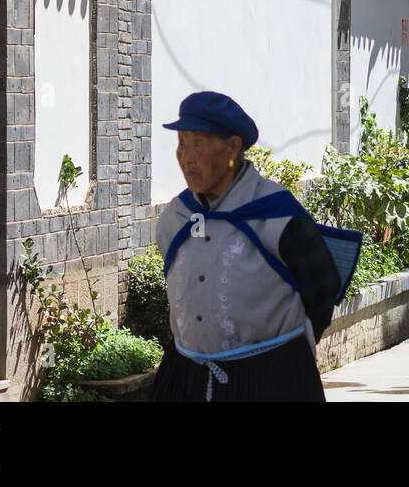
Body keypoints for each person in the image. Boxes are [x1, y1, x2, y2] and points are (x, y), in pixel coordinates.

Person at [150, 91, 359, 402]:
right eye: (181, 144)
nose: (186, 157)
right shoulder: (176, 218)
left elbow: (322, 291)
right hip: (186, 377)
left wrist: (282, 354)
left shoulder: (278, 216)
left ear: (233, 148)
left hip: (271, 380)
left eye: (198, 144)